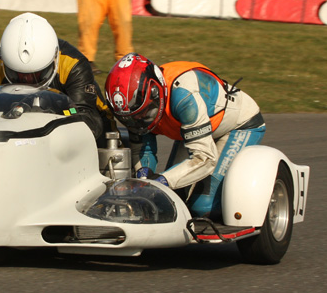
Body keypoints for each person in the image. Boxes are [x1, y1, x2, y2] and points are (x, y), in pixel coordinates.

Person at [103, 53, 266, 221]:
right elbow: (143, 150)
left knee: (202, 206)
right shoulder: (135, 108)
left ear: (155, 93)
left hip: (238, 126)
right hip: (195, 131)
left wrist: (163, 181)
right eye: (129, 119)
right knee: (170, 199)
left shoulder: (184, 98)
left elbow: (205, 159)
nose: (138, 122)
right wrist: (143, 178)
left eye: (144, 113)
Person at [0, 12, 114, 142]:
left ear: (54, 60)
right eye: (18, 75)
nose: (27, 81)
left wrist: (52, 115)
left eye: (36, 74)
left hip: (78, 126)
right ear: (4, 63)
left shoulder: (73, 65)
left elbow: (87, 118)